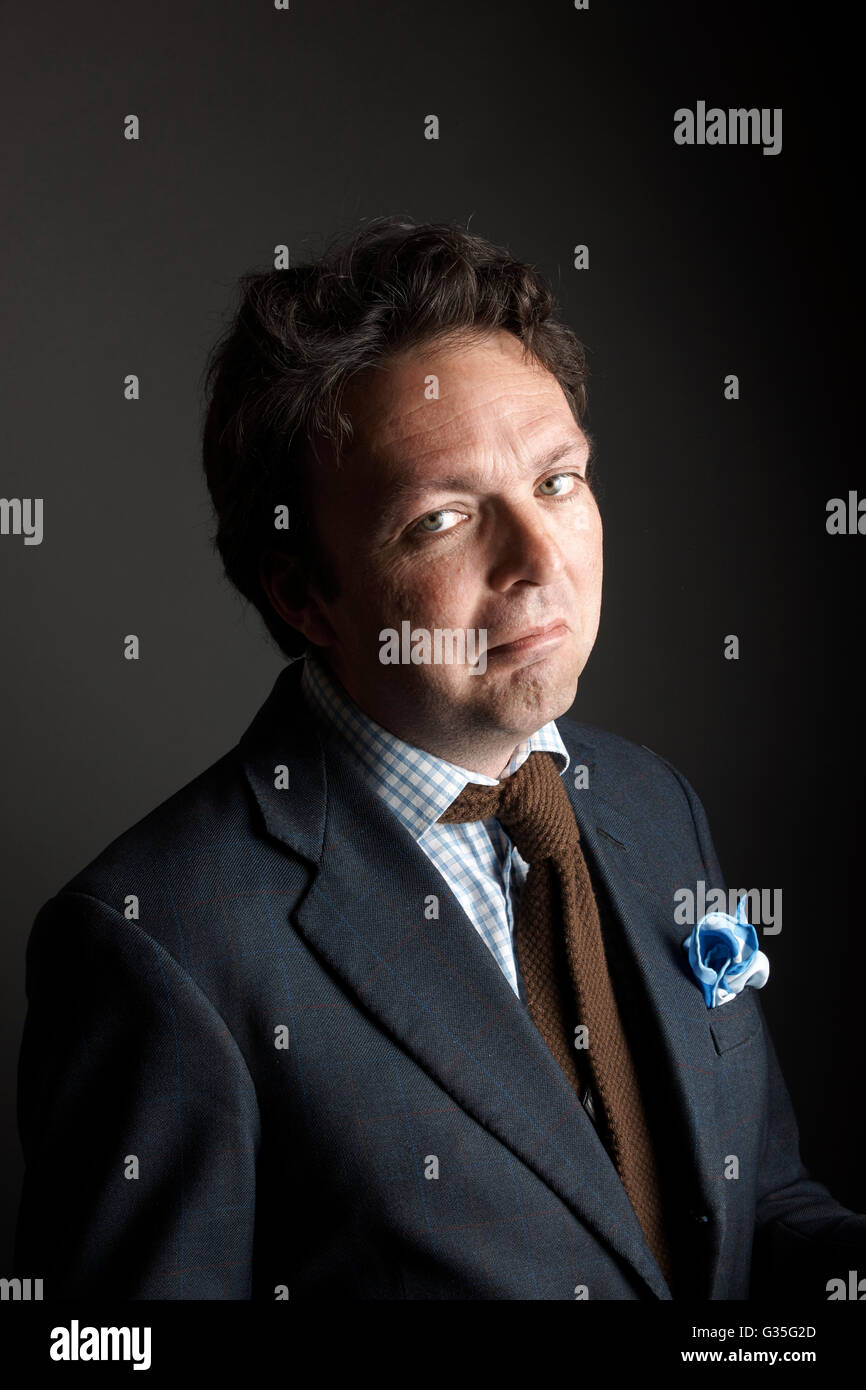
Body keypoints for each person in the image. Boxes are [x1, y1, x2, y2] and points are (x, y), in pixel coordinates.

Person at [14, 217, 865, 1300]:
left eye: (556, 483)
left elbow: (760, 1212)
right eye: (443, 519)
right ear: (301, 592)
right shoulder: (160, 945)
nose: (536, 559)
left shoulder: (651, 806)